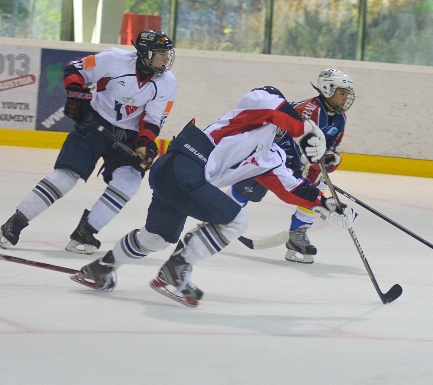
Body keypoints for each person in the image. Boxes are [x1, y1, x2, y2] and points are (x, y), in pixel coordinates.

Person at [71, 86, 356, 307]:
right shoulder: (257, 107)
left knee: (156, 237)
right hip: (184, 165)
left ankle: (101, 268)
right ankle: (177, 267)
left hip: (181, 180)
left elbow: (290, 188)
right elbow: (272, 106)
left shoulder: (271, 155)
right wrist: (306, 129)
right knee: (236, 222)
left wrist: (325, 204)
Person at [0, 30, 177, 254]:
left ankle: (86, 232)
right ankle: (15, 223)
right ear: (145, 53)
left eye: (167, 53)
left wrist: (144, 144)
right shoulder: (113, 60)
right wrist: (75, 92)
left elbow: (152, 119)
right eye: (161, 53)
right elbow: (75, 68)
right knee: (65, 176)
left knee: (128, 182)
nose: (166, 58)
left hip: (129, 135)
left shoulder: (168, 83)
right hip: (94, 124)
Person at [275, 68, 354, 264]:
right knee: (250, 188)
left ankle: (297, 234)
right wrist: (298, 162)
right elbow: (287, 137)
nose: (345, 98)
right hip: (273, 152)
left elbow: (328, 149)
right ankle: (220, 217)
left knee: (318, 185)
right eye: (342, 92)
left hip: (301, 160)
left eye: (347, 93)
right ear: (328, 90)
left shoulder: (340, 118)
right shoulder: (310, 111)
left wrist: (332, 158)